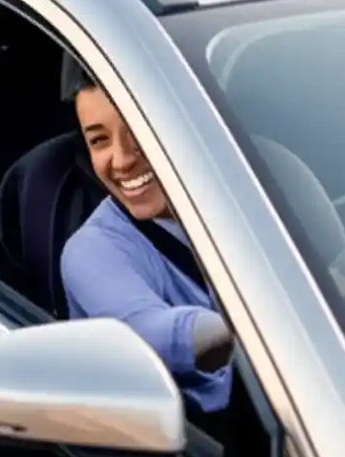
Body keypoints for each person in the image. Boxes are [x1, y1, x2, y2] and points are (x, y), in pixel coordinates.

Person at [58, 59, 234, 417]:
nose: (121, 161)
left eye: (136, 129)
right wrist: (271, 333)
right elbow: (152, 334)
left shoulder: (261, 185)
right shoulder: (92, 251)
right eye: (99, 140)